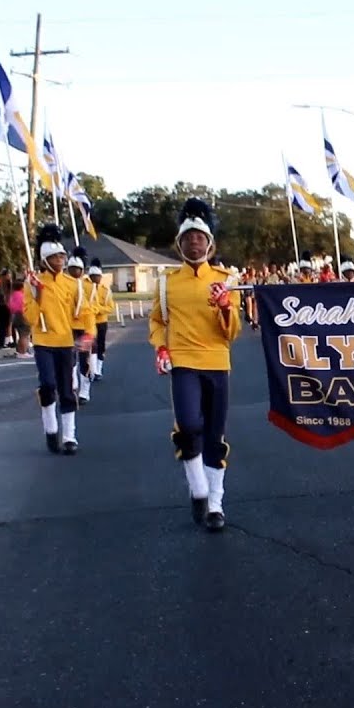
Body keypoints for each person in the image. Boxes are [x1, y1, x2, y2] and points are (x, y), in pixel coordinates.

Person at [150, 197, 242, 532]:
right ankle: (198, 489)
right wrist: (161, 347)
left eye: (199, 237)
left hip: (217, 361)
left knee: (215, 436)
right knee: (188, 426)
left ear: (210, 243)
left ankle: (216, 504)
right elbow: (158, 321)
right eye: (188, 237)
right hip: (183, 362)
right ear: (179, 242)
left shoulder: (227, 280)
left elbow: (231, 332)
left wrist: (225, 307)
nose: (194, 242)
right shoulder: (166, 282)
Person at [24, 224, 96, 455]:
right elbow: (31, 316)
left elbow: (85, 311)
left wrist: (89, 332)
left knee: (66, 390)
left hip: (65, 342)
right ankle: (51, 430)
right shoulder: (33, 284)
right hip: (44, 342)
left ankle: (69, 436)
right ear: (45, 259)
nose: (61, 260)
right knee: (47, 386)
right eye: (56, 257)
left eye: (63, 256)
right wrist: (39, 293)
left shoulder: (71, 284)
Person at [65, 247, 98, 405]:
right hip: (67, 327)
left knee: (84, 360)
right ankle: (73, 385)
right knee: (69, 360)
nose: (74, 272)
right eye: (71, 269)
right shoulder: (63, 284)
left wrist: (90, 332)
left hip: (83, 327)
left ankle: (85, 391)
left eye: (77, 269)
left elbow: (90, 310)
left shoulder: (89, 286)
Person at [87, 258, 113, 381]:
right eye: (92, 276)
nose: (95, 279)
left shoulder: (105, 291)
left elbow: (110, 307)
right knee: (92, 346)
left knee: (101, 345)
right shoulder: (85, 288)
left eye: (97, 276)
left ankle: (99, 368)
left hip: (101, 322)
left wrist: (98, 309)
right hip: (88, 322)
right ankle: (92, 369)